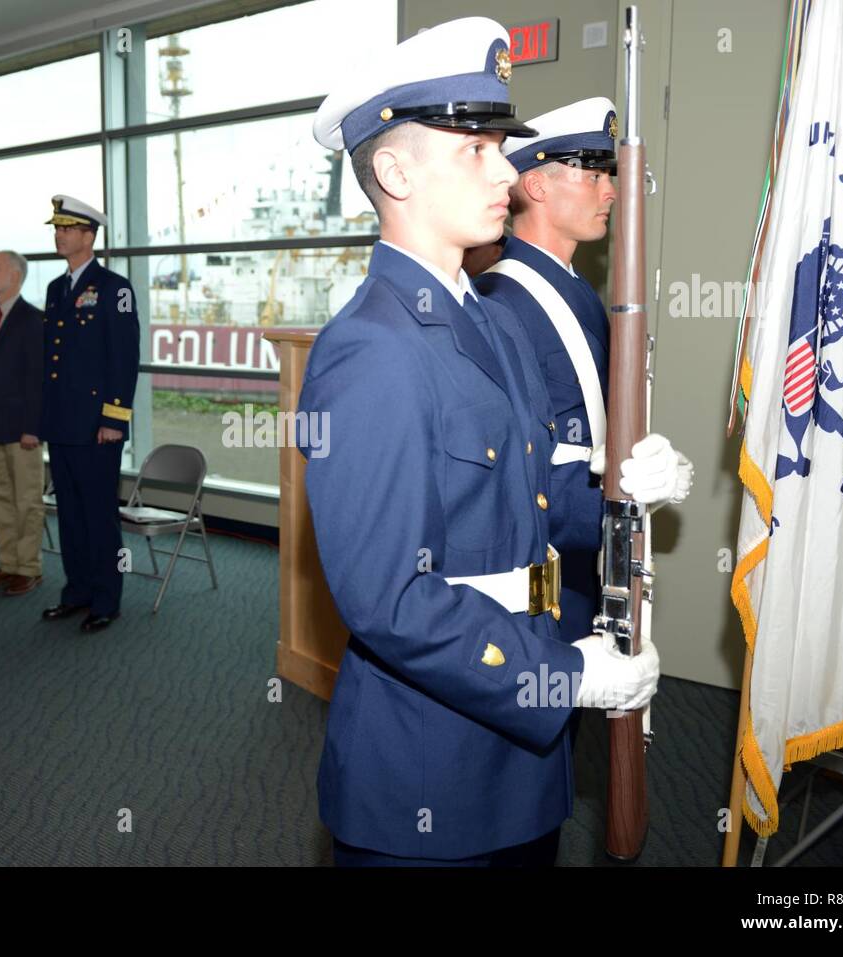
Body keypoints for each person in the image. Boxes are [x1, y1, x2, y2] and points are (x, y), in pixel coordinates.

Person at [298, 18, 674, 867]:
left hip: (518, 744)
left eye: (502, 144)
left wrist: (621, 491)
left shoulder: (491, 320)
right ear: (394, 170)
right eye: (475, 149)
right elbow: (391, 600)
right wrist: (565, 679)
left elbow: (533, 495)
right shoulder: (371, 352)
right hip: (433, 768)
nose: (507, 167)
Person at [472, 97, 693, 660]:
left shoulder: (577, 292)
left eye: (608, 176)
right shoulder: (505, 301)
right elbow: (527, 471)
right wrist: (623, 507)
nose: (612, 192)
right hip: (540, 569)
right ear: (539, 187)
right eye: (593, 175)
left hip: (580, 561)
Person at [38, 196, 139, 633]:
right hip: (62, 424)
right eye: (56, 228)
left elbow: (124, 357)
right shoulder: (56, 289)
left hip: (98, 427)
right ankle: (76, 591)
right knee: (71, 515)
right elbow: (51, 361)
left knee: (99, 516)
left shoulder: (116, 289)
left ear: (88, 235)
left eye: (66, 229)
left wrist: (114, 419)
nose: (59, 235)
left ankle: (106, 599)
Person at [0, 251, 46, 597]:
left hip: (21, 428)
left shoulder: (33, 320)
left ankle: (28, 568)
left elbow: (38, 379)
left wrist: (34, 426)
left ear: (15, 275)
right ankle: (8, 564)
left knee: (26, 499)